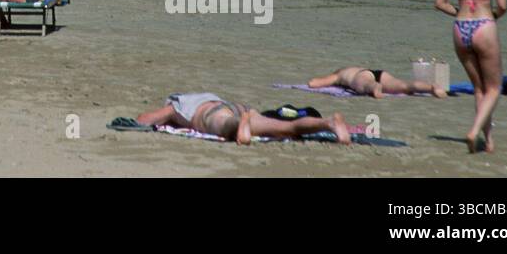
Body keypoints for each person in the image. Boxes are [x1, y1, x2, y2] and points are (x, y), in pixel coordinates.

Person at [435, 0, 507, 153]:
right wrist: (492, 16)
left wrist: (459, 12)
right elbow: (503, 6)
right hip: (484, 25)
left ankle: (489, 141)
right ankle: (475, 131)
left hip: (461, 27)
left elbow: (439, 3)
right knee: (494, 88)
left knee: (479, 89)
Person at [136, 92, 351, 146]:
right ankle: (327, 123)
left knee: (224, 125)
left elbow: (144, 120)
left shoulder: (176, 104)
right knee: (283, 127)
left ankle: (241, 124)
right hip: (237, 106)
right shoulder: (206, 96)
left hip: (216, 115)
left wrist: (168, 115)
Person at [308, 66, 447, 98]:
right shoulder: (350, 68)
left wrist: (323, 79)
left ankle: (375, 87)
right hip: (378, 73)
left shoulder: (338, 75)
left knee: (365, 85)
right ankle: (431, 87)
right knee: (404, 86)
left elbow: (314, 84)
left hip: (361, 75)